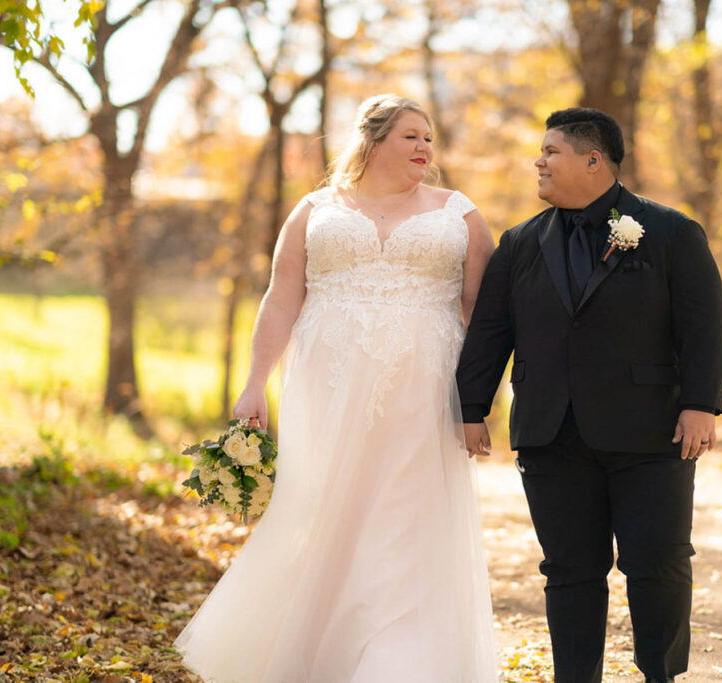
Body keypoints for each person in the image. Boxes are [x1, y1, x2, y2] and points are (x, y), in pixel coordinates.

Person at [175, 94, 497, 682]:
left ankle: (394, 663)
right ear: (374, 141)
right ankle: (317, 652)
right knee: (327, 509)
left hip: (422, 392)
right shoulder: (315, 208)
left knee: (403, 517)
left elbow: (483, 313)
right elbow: (280, 300)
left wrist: (480, 402)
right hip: (327, 386)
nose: (426, 148)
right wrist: (254, 385)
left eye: (429, 138)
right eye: (411, 136)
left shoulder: (460, 213)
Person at [457, 107, 722, 683]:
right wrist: (469, 407)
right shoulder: (520, 242)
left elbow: (704, 326)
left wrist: (701, 404)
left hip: (652, 431)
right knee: (569, 571)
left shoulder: (672, 233)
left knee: (658, 565)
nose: (539, 161)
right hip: (550, 433)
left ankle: (661, 674)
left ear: (592, 160)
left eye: (550, 151)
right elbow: (490, 331)